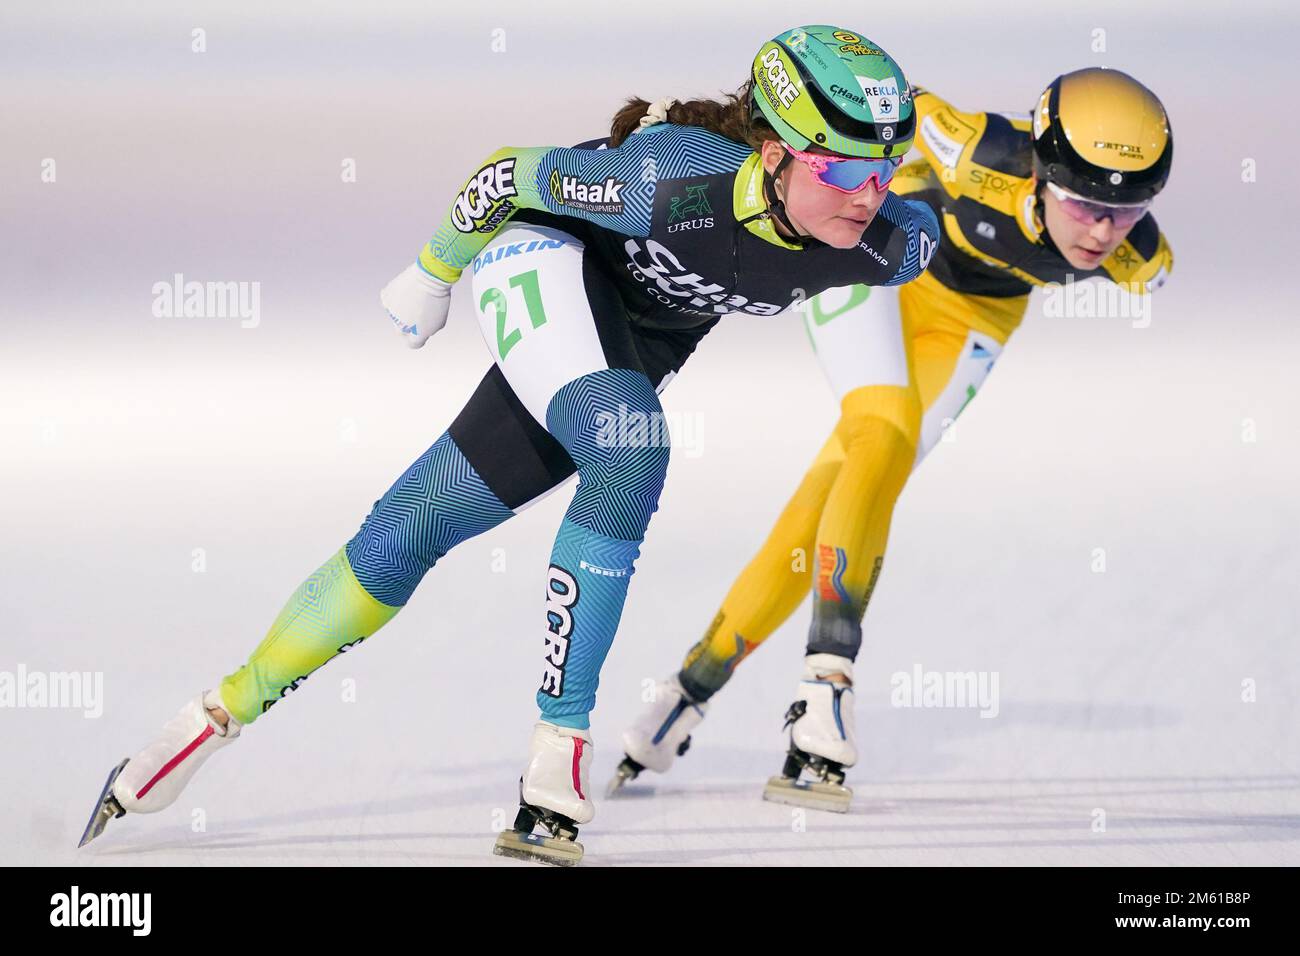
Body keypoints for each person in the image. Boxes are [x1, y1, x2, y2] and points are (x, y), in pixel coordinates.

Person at [78, 25, 941, 863]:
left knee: (406, 535)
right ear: (774, 151)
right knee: (630, 442)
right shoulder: (668, 181)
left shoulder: (895, 243)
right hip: (546, 253)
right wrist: (431, 273)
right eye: (844, 168)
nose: (868, 194)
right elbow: (504, 176)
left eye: (885, 167)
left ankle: (205, 722)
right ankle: (559, 748)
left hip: (629, 340)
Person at [614, 67, 1175, 811]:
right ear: (1041, 167)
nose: (1103, 231)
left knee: (842, 489)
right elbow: (863, 118)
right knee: (885, 425)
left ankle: (687, 691)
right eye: (1083, 204)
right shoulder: (974, 150)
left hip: (972, 322)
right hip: (872, 261)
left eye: (1127, 210)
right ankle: (827, 687)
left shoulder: (1144, 264)